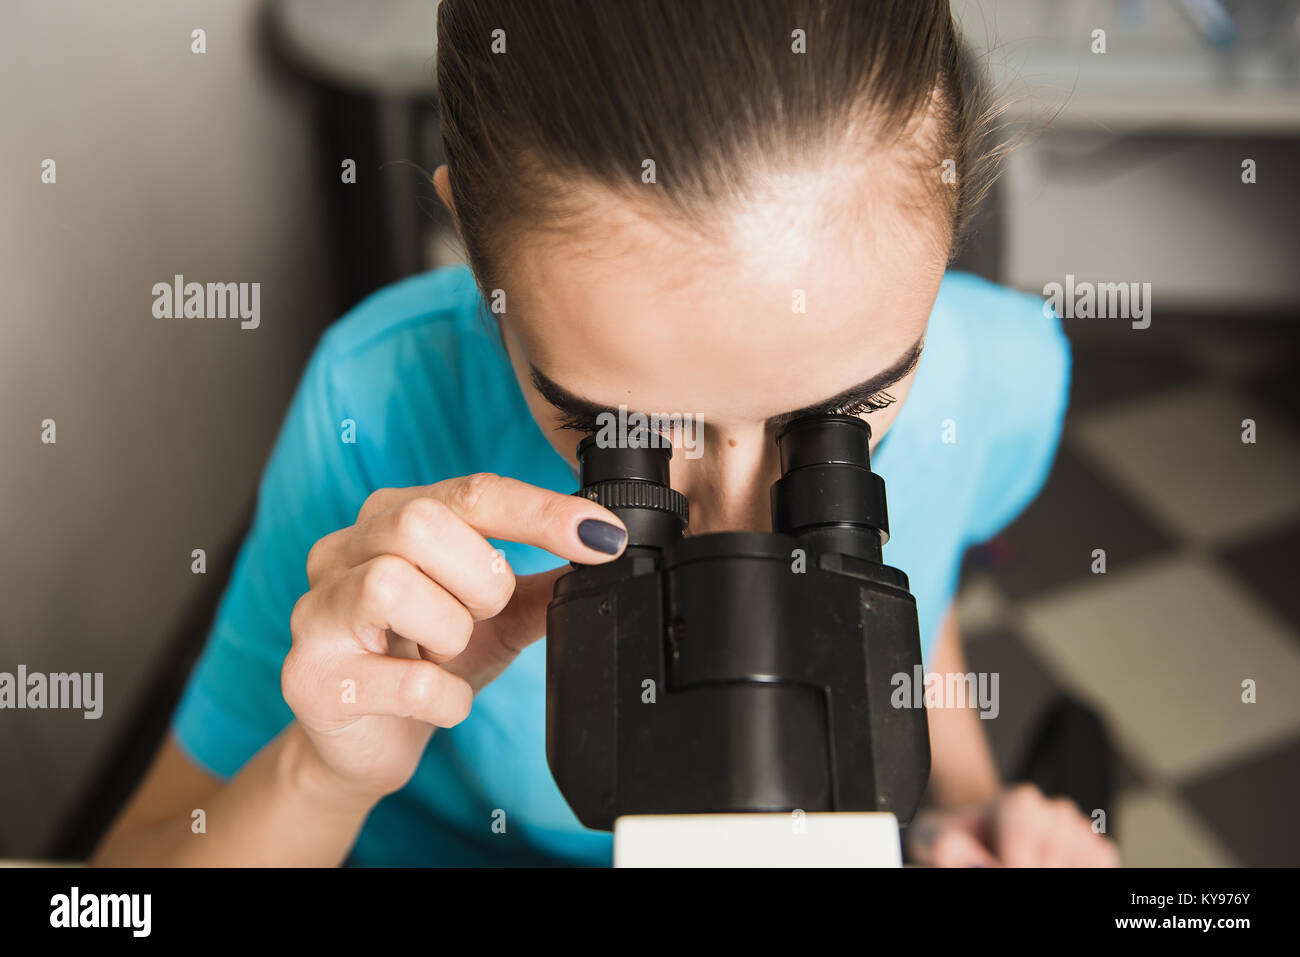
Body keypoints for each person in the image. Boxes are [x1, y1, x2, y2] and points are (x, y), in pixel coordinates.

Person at [94, 0, 1118, 867]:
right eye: (617, 428)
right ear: (476, 246)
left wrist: (962, 812)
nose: (732, 526)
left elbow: (918, 600)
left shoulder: (1002, 373)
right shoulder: (380, 400)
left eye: (844, 421)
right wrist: (320, 776)